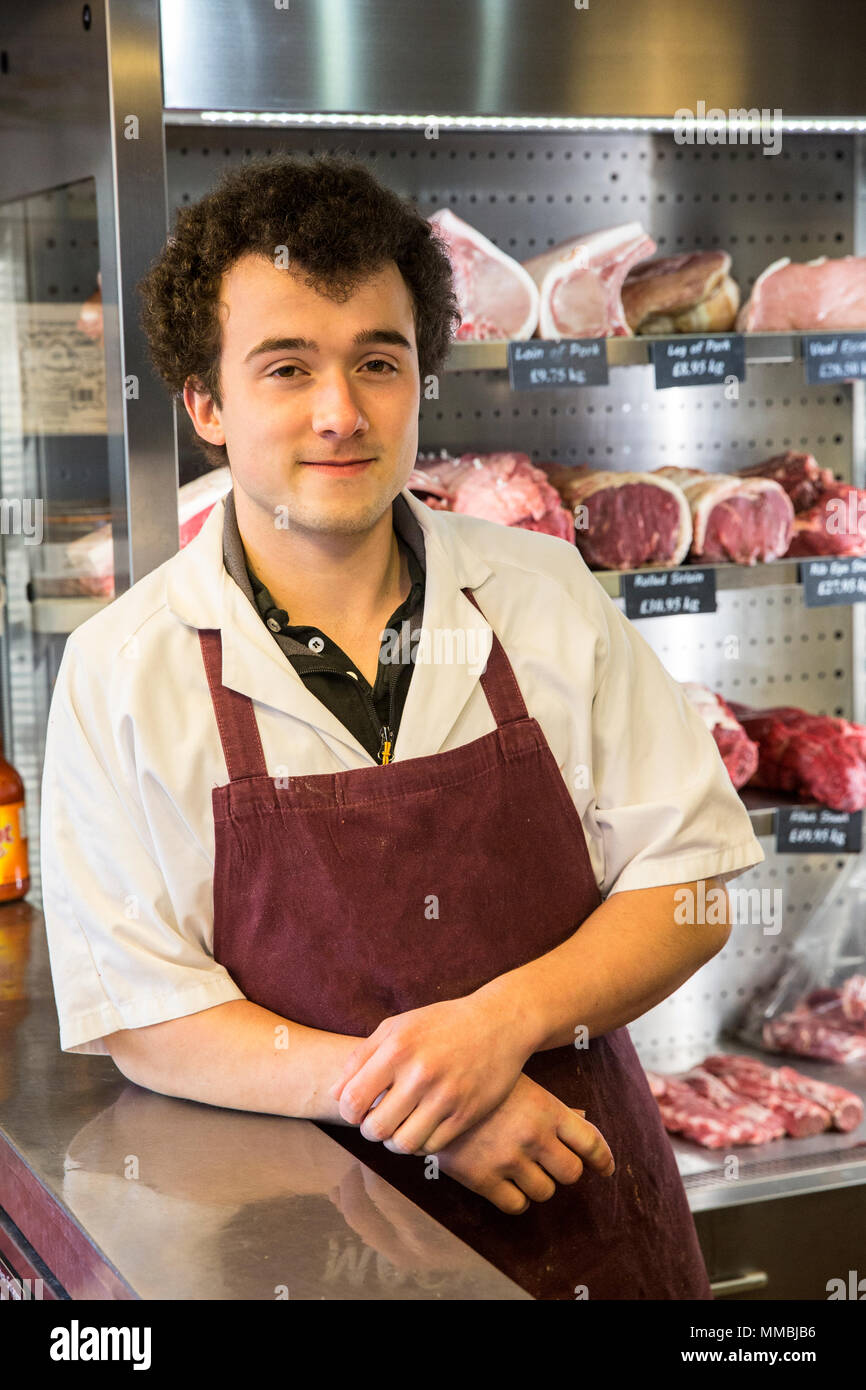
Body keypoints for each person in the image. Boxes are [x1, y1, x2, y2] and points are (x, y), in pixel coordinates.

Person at [41, 153, 764, 1300]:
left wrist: (500, 1022)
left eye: (377, 362)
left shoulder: (541, 591)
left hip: (579, 1202)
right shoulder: (126, 670)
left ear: (419, 378)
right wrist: (432, 1098)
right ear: (206, 404)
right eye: (286, 368)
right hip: (300, 1236)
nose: (340, 413)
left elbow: (689, 888)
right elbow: (147, 1011)